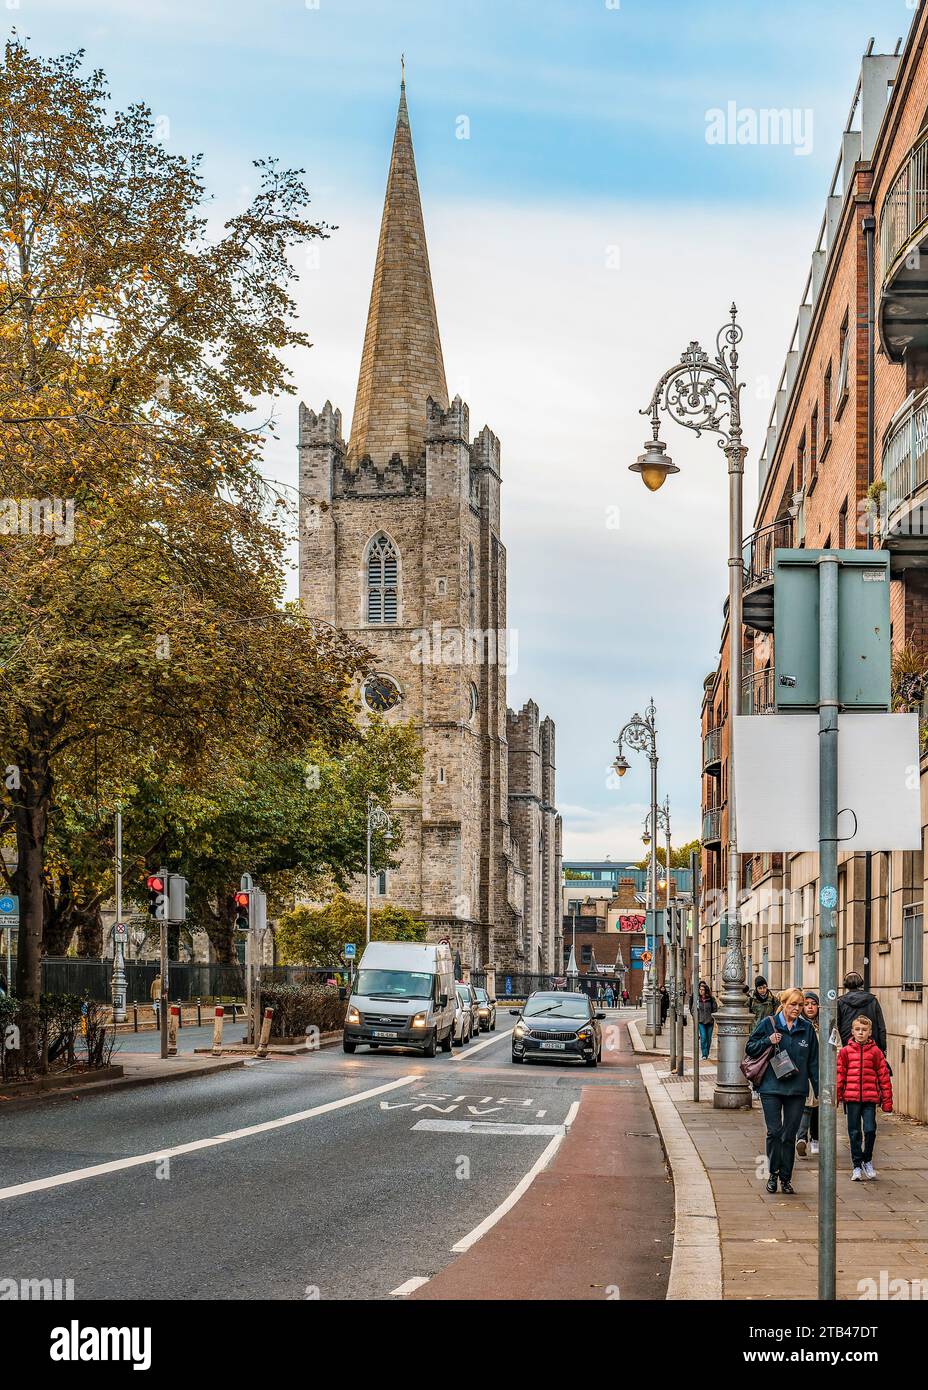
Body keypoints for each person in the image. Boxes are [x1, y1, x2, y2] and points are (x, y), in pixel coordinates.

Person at [744, 985, 819, 1195]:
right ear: (783, 1004)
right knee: (774, 1132)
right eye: (793, 1004)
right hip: (771, 1087)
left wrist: (820, 1089)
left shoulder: (806, 1029)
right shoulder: (769, 1024)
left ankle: (786, 1178)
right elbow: (750, 1047)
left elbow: (814, 1062)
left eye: (800, 1005)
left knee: (789, 1136)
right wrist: (768, 1040)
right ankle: (773, 1174)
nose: (797, 1008)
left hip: (797, 1089)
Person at [837, 1013, 893, 1181]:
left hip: (870, 1099)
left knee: (870, 1130)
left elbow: (883, 1077)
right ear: (852, 1032)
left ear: (870, 1032)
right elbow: (840, 1075)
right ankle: (856, 1165)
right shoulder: (845, 1052)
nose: (860, 1032)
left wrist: (887, 1101)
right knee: (854, 1133)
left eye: (864, 1030)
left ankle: (867, 1159)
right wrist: (837, 1096)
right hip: (852, 1099)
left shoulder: (876, 1052)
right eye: (857, 1029)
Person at [837, 971, 887, 1054]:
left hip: (847, 1046)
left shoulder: (840, 1002)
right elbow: (881, 1026)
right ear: (861, 983)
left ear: (845, 984)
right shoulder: (872, 1000)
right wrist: (883, 1047)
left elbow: (837, 1026)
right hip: (871, 1047)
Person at [796, 991, 820, 1157]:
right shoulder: (799, 1025)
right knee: (807, 1104)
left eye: (813, 1004)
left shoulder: (826, 1024)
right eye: (806, 1004)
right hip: (804, 1071)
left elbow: (837, 1046)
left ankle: (815, 1138)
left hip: (822, 1071)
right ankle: (802, 1138)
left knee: (817, 1106)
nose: (810, 1007)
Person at [691, 980, 717, 1060]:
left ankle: (707, 1053)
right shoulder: (697, 999)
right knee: (703, 1037)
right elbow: (693, 1009)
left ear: (706, 991)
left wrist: (713, 1018)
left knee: (709, 1039)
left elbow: (715, 1009)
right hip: (701, 1021)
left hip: (710, 1022)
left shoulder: (711, 999)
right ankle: (704, 1054)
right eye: (700, 989)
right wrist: (696, 1017)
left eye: (702, 990)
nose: (700, 991)